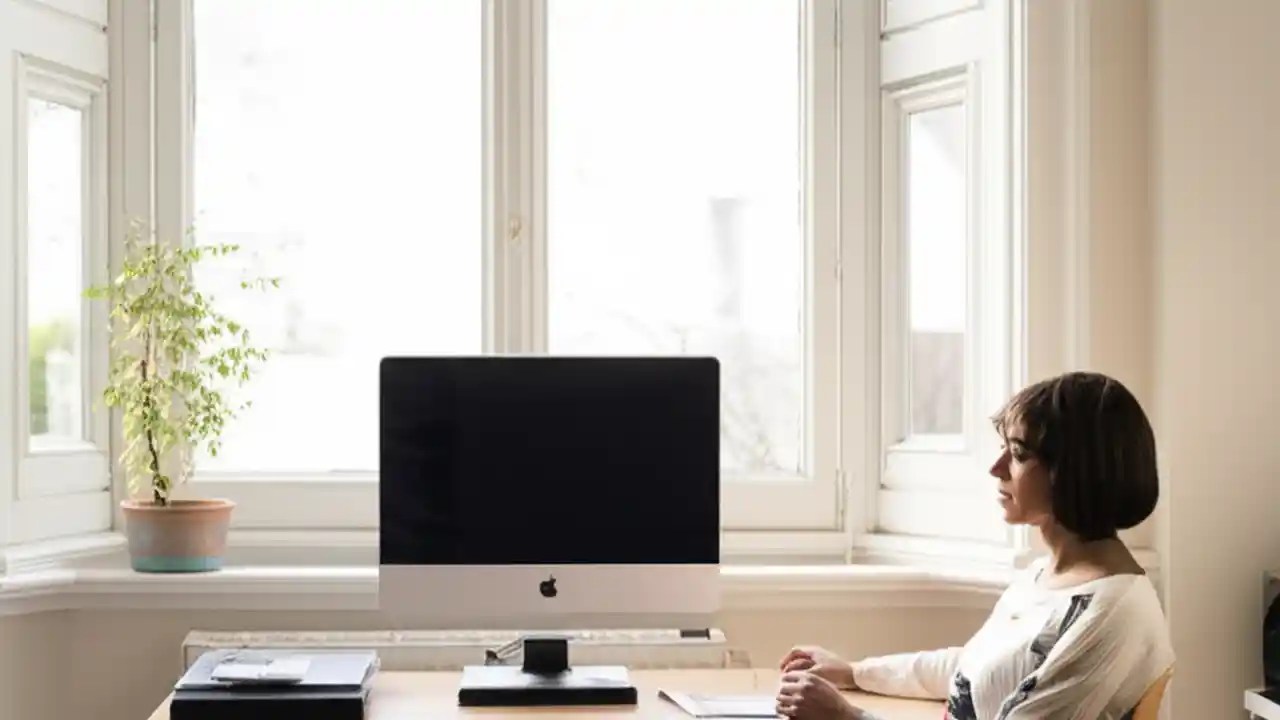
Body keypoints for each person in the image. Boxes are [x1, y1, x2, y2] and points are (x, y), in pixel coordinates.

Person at [774, 372, 1174, 720]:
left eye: (1017, 454)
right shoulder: (1047, 576)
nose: (996, 467)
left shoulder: (1111, 615)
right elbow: (973, 669)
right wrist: (853, 672)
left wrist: (846, 717)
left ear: (1073, 472)